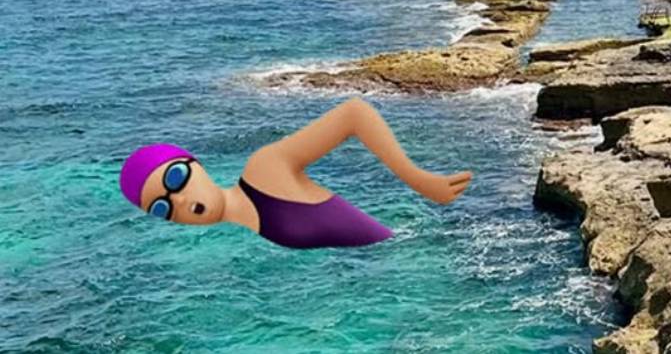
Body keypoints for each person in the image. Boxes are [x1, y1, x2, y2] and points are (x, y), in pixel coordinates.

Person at [119, 98, 471, 249]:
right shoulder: (248, 228)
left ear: (196, 165)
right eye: (162, 208)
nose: (178, 200)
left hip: (413, 254)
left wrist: (419, 180)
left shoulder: (264, 169)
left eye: (175, 179)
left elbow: (353, 113)